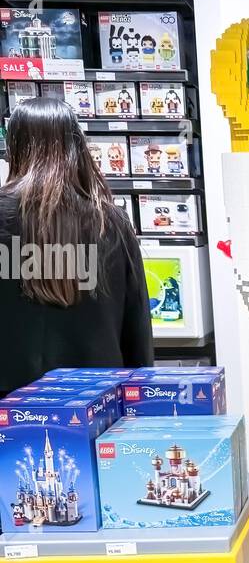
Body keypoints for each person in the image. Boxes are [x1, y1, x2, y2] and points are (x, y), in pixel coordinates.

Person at [0, 98, 153, 395]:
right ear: (76, 148)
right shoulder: (109, 222)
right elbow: (137, 329)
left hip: (8, 409)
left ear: (14, 149)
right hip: (96, 403)